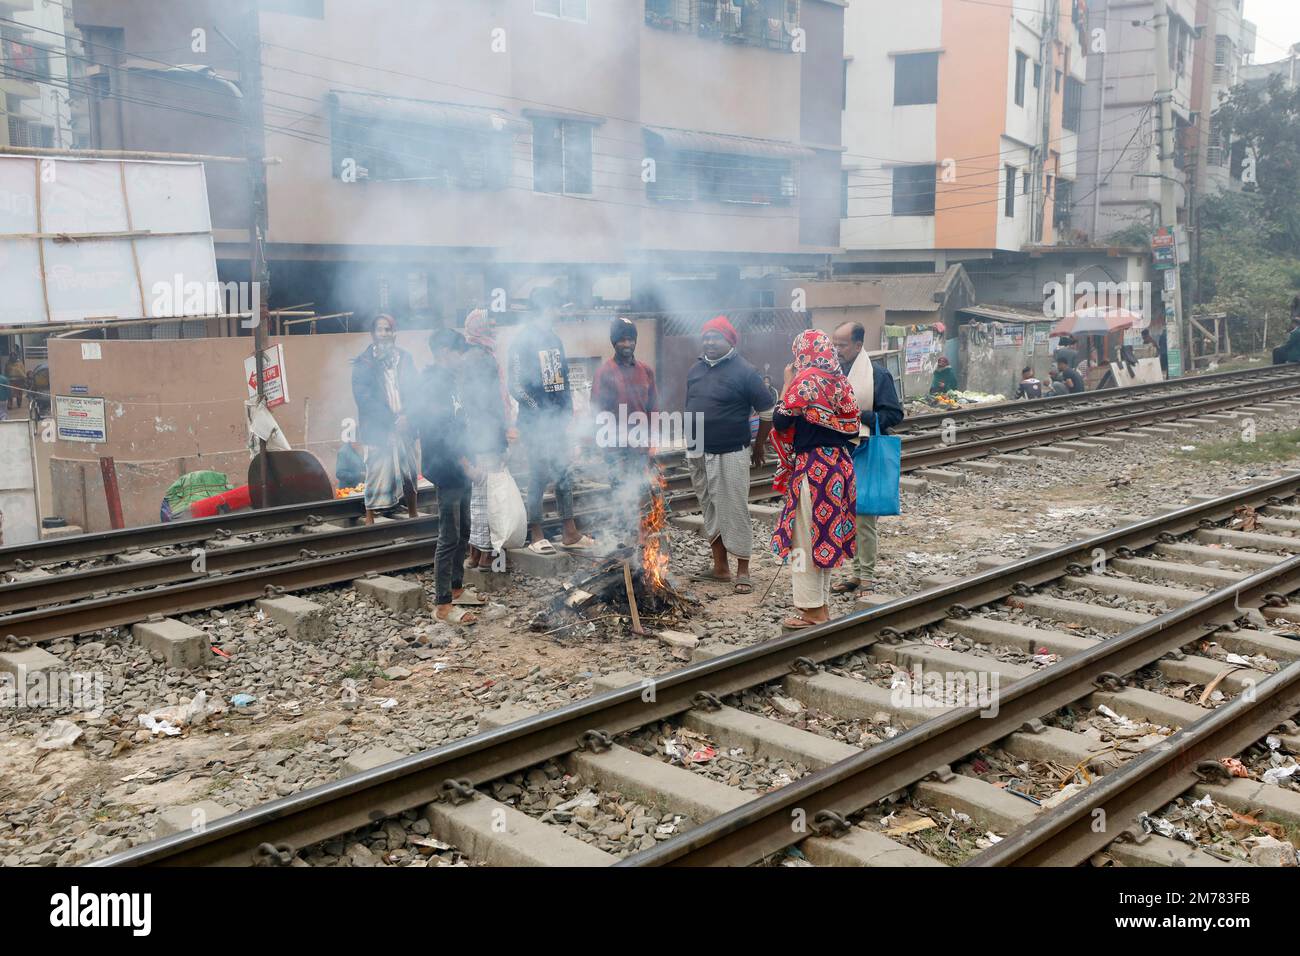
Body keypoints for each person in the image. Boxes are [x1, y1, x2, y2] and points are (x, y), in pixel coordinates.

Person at [770, 330, 860, 628]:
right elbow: (852, 425)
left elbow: (781, 418)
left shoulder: (806, 380)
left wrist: (786, 382)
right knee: (826, 534)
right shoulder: (839, 380)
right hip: (840, 468)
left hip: (814, 469)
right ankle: (821, 606)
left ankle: (811, 611)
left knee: (804, 540)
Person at [684, 315, 774, 594]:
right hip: (699, 450)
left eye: (716, 337)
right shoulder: (696, 370)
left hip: (731, 451)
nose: (709, 342)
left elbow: (768, 412)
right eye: (706, 336)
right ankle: (720, 568)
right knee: (709, 507)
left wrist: (759, 444)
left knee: (734, 509)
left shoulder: (745, 371)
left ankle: (743, 571)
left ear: (729, 341)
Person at [508, 289, 594, 553]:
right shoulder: (522, 341)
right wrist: (539, 412)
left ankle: (570, 532)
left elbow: (563, 379)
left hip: (556, 422)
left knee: (564, 474)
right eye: (555, 306)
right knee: (538, 475)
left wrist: (567, 411)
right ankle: (536, 534)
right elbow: (516, 386)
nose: (558, 311)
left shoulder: (554, 339)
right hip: (535, 423)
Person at [414, 329, 485, 625]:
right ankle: (442, 604)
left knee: (464, 530)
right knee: (449, 535)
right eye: (459, 352)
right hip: (448, 467)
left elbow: (461, 425)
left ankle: (456, 590)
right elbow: (443, 432)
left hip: (461, 466)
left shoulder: (453, 381)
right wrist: (466, 464)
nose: (463, 357)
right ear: (444, 351)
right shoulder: (433, 383)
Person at [829, 321, 904, 595]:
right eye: (834, 344)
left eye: (842, 345)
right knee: (847, 517)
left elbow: (894, 415)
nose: (836, 350)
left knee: (864, 517)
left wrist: (860, 416)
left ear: (858, 345)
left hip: (864, 450)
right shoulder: (833, 373)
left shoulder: (877, 375)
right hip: (840, 452)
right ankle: (856, 573)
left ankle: (868, 576)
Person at [593, 316, 658, 546]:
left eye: (631, 339)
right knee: (619, 490)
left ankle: (639, 535)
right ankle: (623, 537)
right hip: (615, 446)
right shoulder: (604, 372)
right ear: (614, 342)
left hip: (639, 444)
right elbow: (598, 410)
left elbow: (653, 409)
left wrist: (651, 443)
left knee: (640, 488)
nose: (627, 344)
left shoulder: (646, 371)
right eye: (621, 340)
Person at [351, 314, 420, 525]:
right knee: (376, 471)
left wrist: (408, 416)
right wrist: (391, 422)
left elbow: (417, 391)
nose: (384, 333)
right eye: (380, 329)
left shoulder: (405, 358)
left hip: (405, 424)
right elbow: (364, 399)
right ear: (373, 334)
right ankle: (370, 518)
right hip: (379, 427)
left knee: (409, 471)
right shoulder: (364, 362)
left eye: (387, 329)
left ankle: (413, 513)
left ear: (394, 334)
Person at [461, 308, 512, 569]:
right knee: (489, 497)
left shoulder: (468, 355)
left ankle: (474, 553)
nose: (494, 328)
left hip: (473, 436)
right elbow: (491, 403)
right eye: (489, 324)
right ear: (479, 327)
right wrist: (501, 440)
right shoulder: (484, 357)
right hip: (487, 436)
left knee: (477, 497)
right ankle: (486, 556)